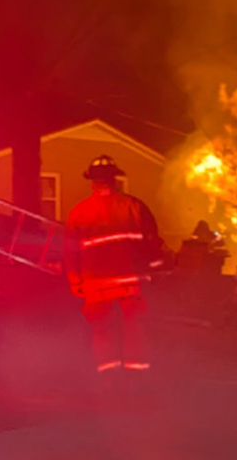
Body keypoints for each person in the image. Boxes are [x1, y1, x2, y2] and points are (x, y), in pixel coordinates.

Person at [64, 155, 166, 373]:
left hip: (96, 285)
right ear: (115, 179)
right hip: (132, 282)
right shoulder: (134, 206)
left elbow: (71, 252)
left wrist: (75, 282)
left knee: (102, 330)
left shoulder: (79, 213)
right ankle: (137, 377)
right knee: (135, 329)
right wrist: (157, 271)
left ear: (92, 181)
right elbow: (153, 244)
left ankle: (108, 378)